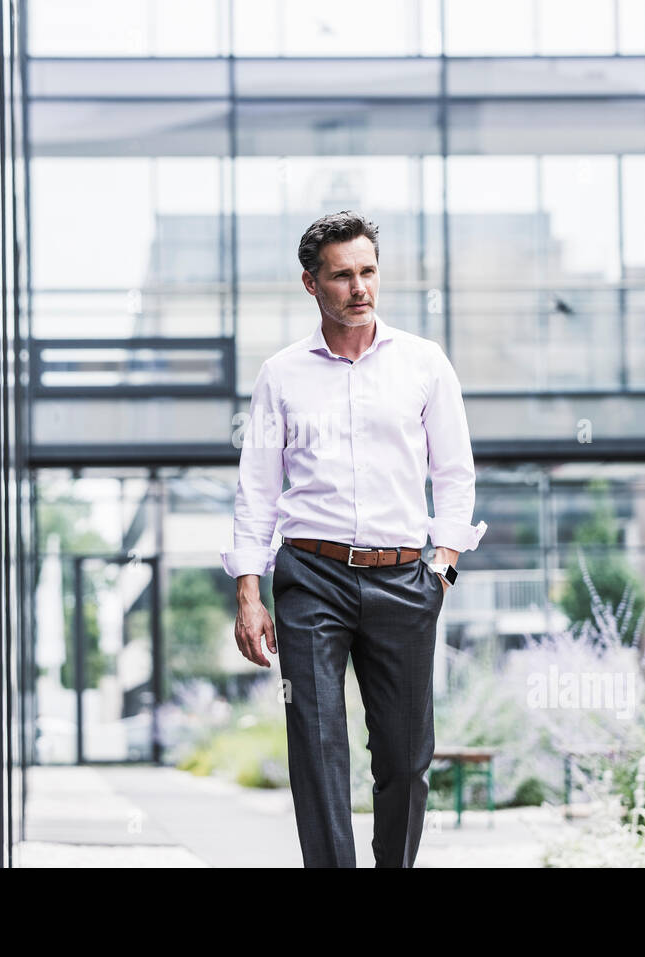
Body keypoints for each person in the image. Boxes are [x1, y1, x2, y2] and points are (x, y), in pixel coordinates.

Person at [220, 210, 487, 868]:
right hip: (310, 576)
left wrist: (442, 570)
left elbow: (455, 475)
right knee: (317, 750)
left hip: (404, 579)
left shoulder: (424, 364)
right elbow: (256, 488)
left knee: (404, 760)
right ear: (312, 284)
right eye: (342, 276)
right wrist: (249, 593)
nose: (360, 287)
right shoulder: (281, 375)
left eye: (368, 271)